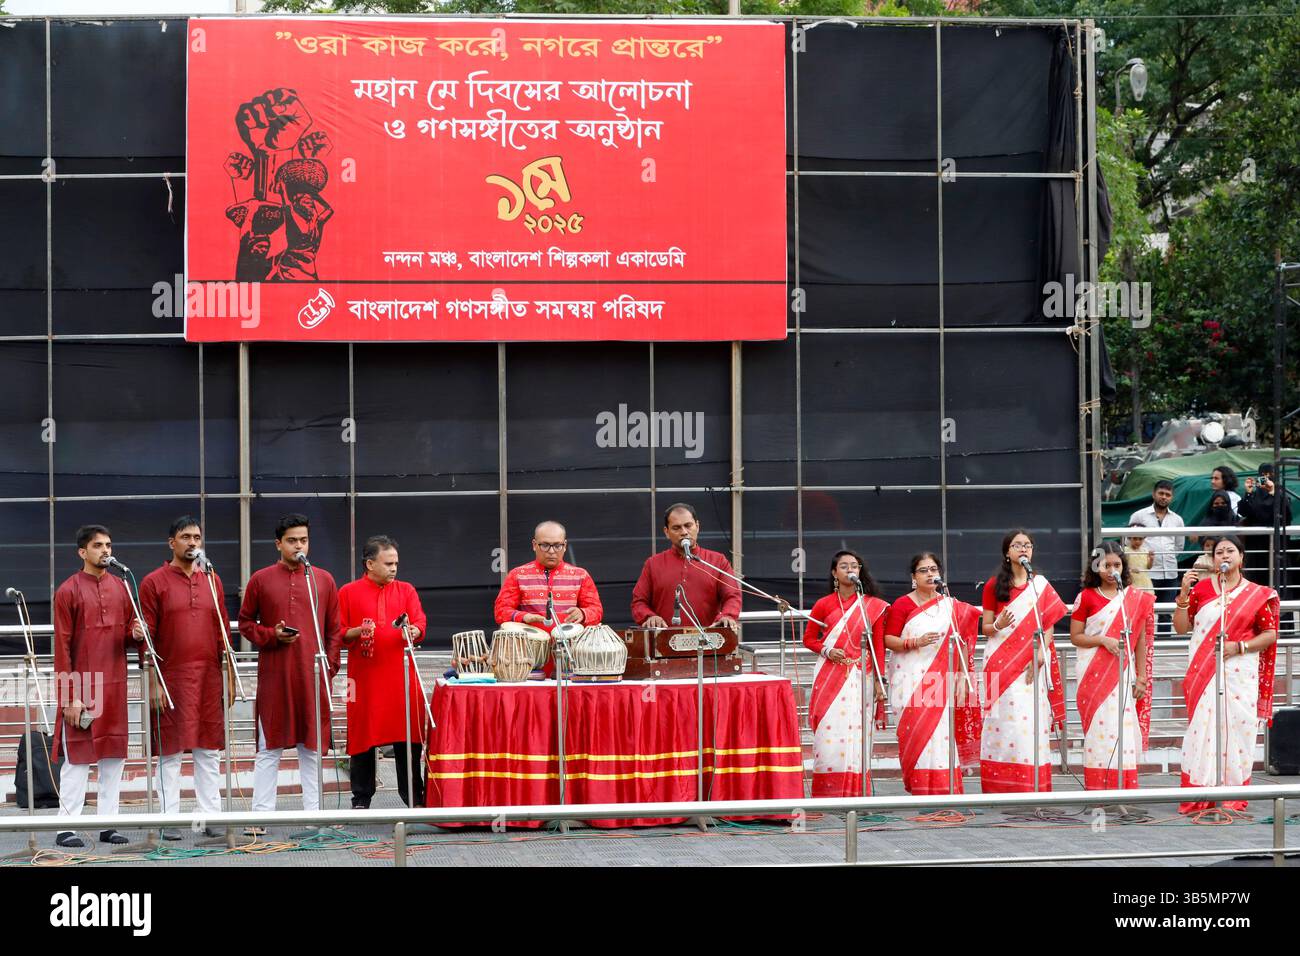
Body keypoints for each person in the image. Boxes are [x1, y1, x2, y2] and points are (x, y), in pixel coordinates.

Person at [238, 514, 343, 816]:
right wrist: (272, 635)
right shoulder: (260, 579)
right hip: (275, 677)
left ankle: (314, 816)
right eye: (292, 540)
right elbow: (245, 624)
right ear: (278, 544)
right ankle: (261, 817)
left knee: (311, 749)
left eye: (304, 540)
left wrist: (329, 667)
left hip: (312, 676)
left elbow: (334, 630)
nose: (299, 546)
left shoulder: (323, 579)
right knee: (269, 747)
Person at [52, 525, 144, 848]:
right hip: (82, 687)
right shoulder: (68, 590)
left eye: (108, 545)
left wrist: (135, 635)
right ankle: (66, 827)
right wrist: (69, 697)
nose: (105, 550)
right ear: (82, 552)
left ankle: (109, 824)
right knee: (77, 760)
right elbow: (62, 647)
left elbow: (128, 633)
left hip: (115, 685)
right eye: (98, 545)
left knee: (113, 757)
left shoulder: (122, 586)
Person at [138, 517, 230, 839]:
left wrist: (229, 677)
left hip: (208, 677)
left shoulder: (212, 579)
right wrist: (153, 681)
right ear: (171, 543)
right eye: (186, 537)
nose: (193, 542)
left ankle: (209, 817)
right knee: (170, 751)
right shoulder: (153, 582)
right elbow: (146, 636)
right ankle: (169, 818)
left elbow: (222, 630)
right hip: (170, 678)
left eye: (197, 537)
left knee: (209, 749)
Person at [1172, 535, 1279, 814]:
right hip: (1203, 674)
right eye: (1219, 552)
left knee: (1237, 730)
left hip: (1239, 675)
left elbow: (1269, 634)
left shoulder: (1256, 594)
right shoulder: (1202, 589)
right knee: (1202, 731)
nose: (1224, 556)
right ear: (1213, 559)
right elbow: (1181, 628)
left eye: (1230, 551)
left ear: (1241, 557)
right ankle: (1200, 794)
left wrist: (1240, 646)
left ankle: (1231, 793)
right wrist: (1183, 594)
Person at [338, 535, 429, 810]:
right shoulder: (348, 592)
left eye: (396, 563)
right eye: (388, 563)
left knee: (408, 737)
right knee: (362, 737)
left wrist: (414, 630)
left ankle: (414, 797)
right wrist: (358, 631)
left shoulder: (406, 590)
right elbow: (338, 632)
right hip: (363, 678)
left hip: (401, 676)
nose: (394, 568)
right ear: (370, 564)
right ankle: (361, 798)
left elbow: (420, 621)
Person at [979, 530, 1069, 793]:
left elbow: (1049, 623)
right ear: (1007, 552)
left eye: (1027, 545)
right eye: (1017, 545)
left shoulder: (1039, 584)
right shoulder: (993, 585)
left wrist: (1041, 653)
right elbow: (986, 628)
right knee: (1005, 724)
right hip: (1000, 664)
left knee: (1030, 725)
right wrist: (998, 624)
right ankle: (1002, 788)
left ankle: (1032, 786)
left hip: (1033, 662)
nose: (1023, 549)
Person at [884, 553, 981, 795]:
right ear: (913, 577)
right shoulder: (902, 604)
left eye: (933, 569)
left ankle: (945, 792)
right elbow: (889, 639)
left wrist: (962, 676)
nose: (930, 574)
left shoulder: (950, 605)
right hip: (909, 680)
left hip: (940, 680)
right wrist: (915, 642)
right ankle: (921, 791)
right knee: (918, 734)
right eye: (923, 570)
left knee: (940, 736)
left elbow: (962, 641)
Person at [1068, 541, 1155, 791]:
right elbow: (1076, 636)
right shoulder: (1086, 597)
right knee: (1099, 730)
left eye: (1117, 565)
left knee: (1121, 729)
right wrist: (1102, 640)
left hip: (1123, 674)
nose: (1112, 570)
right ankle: (1098, 789)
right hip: (1092, 674)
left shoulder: (1133, 598)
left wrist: (1141, 677)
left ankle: (1123, 789)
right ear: (1096, 566)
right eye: (1106, 565)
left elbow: (1139, 640)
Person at [801, 551, 889, 797]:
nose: (850, 570)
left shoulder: (873, 606)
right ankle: (828, 794)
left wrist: (880, 680)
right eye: (844, 566)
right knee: (829, 734)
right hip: (829, 675)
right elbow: (808, 639)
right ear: (834, 573)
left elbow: (878, 646)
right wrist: (828, 651)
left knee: (858, 735)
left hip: (862, 676)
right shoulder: (824, 604)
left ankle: (857, 794)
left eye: (854, 566)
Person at [631, 503, 741, 631]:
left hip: (709, 640)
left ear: (697, 526)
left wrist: (727, 615)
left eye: (688, 526)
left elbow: (732, 596)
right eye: (676, 528)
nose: (684, 532)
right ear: (666, 532)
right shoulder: (653, 564)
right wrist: (650, 617)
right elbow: (639, 602)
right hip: (664, 641)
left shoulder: (718, 561)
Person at [494, 520, 603, 632]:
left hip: (570, 643)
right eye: (545, 545)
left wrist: (583, 614)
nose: (551, 551)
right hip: (530, 642)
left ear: (565, 545)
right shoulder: (517, 575)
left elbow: (597, 611)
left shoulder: (580, 575)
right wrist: (524, 617)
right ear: (534, 545)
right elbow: (500, 611)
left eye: (557, 545)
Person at [1128, 479, 1186, 611]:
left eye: (1168, 495)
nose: (1164, 497)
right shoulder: (1139, 516)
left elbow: (1179, 546)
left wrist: (1167, 556)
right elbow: (1129, 542)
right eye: (1161, 493)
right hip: (1146, 573)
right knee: (1144, 610)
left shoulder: (1177, 519)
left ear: (1172, 497)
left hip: (1170, 573)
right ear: (1154, 494)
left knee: (1167, 612)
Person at [1124, 526, 1155, 595]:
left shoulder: (1145, 550)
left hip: (1145, 581)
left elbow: (1148, 567)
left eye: (1140, 539)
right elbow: (1123, 565)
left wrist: (1151, 559)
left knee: (1146, 598)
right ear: (1130, 538)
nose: (1137, 541)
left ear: (1144, 539)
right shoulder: (1126, 550)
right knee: (1133, 597)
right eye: (1135, 538)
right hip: (1132, 580)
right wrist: (1130, 570)